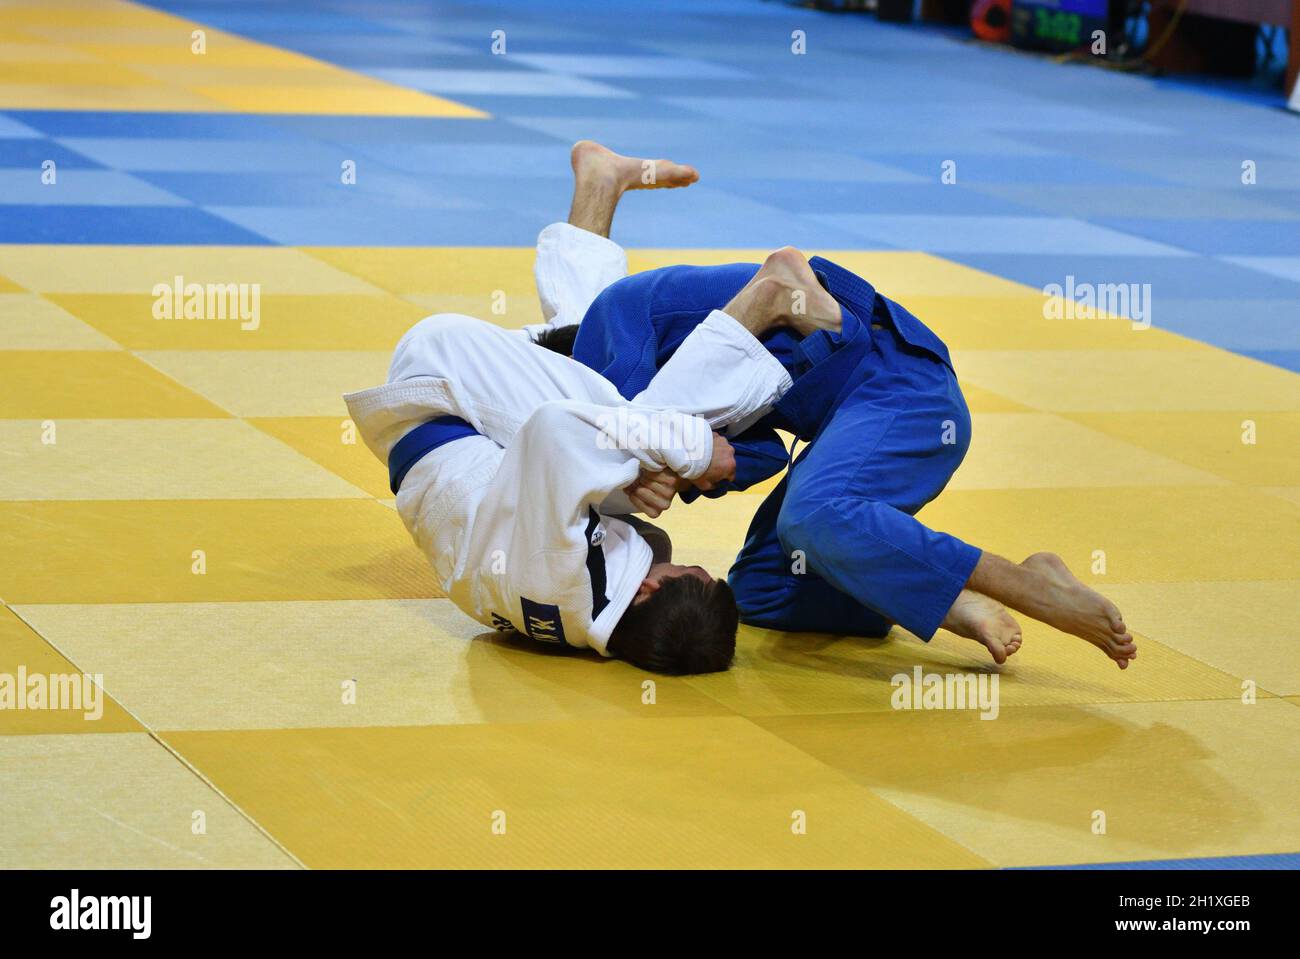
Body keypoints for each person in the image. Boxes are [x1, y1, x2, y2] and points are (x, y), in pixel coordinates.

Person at [535, 141, 1137, 671]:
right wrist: (693, 467)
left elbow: (628, 418)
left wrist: (647, 466)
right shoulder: (629, 374)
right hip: (839, 422)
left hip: (899, 387)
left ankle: (1025, 587)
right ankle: (948, 594)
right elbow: (762, 453)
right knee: (766, 591)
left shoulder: (607, 340)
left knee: (813, 519)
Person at [344, 159, 848, 674]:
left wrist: (694, 451)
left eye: (693, 573)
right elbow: (549, 490)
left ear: (652, 588)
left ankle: (770, 294)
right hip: (477, 424)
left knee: (654, 423)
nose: (682, 565)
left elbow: (553, 429)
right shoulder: (586, 619)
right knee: (605, 365)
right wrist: (623, 487)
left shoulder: (561, 571)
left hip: (442, 382)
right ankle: (600, 184)